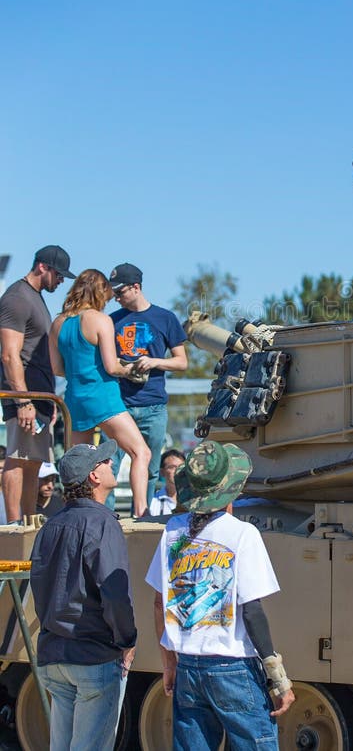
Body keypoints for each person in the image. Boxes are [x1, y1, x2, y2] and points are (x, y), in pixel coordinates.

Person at [146, 440, 295, 750]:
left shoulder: (173, 530)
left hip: (188, 666)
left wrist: (170, 664)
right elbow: (252, 610)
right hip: (234, 668)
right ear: (232, 489)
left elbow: (160, 603)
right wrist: (278, 678)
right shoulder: (242, 534)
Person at [30, 440, 137, 751]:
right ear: (94, 476)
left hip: (54, 654)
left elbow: (40, 589)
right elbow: (114, 592)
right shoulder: (103, 522)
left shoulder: (50, 526)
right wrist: (127, 639)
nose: (111, 463)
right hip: (93, 656)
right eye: (105, 461)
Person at [49, 269, 151, 518]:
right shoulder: (100, 320)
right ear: (99, 292)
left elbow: (57, 368)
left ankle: (77, 513)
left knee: (77, 466)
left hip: (74, 400)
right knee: (141, 452)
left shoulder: (58, 323)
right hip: (103, 398)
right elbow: (111, 366)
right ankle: (141, 513)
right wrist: (132, 368)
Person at [0, 245, 75, 524]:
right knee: (19, 459)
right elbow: (9, 354)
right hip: (24, 396)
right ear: (42, 267)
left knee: (32, 463)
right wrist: (22, 401)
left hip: (39, 398)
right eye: (58, 274)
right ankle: (12, 528)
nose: (61, 280)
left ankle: (29, 524)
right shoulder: (17, 298)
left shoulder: (35, 298)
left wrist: (46, 400)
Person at [108, 262, 187, 507]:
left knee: (151, 469)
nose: (116, 298)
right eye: (114, 293)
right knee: (109, 468)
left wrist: (153, 362)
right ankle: (107, 519)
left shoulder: (165, 318)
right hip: (119, 406)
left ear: (136, 287)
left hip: (154, 407)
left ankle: (141, 519)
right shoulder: (111, 321)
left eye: (120, 292)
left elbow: (181, 362)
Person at [149, 448, 186, 515]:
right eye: (172, 467)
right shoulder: (153, 502)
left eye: (181, 467)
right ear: (162, 472)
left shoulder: (195, 500)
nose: (178, 471)